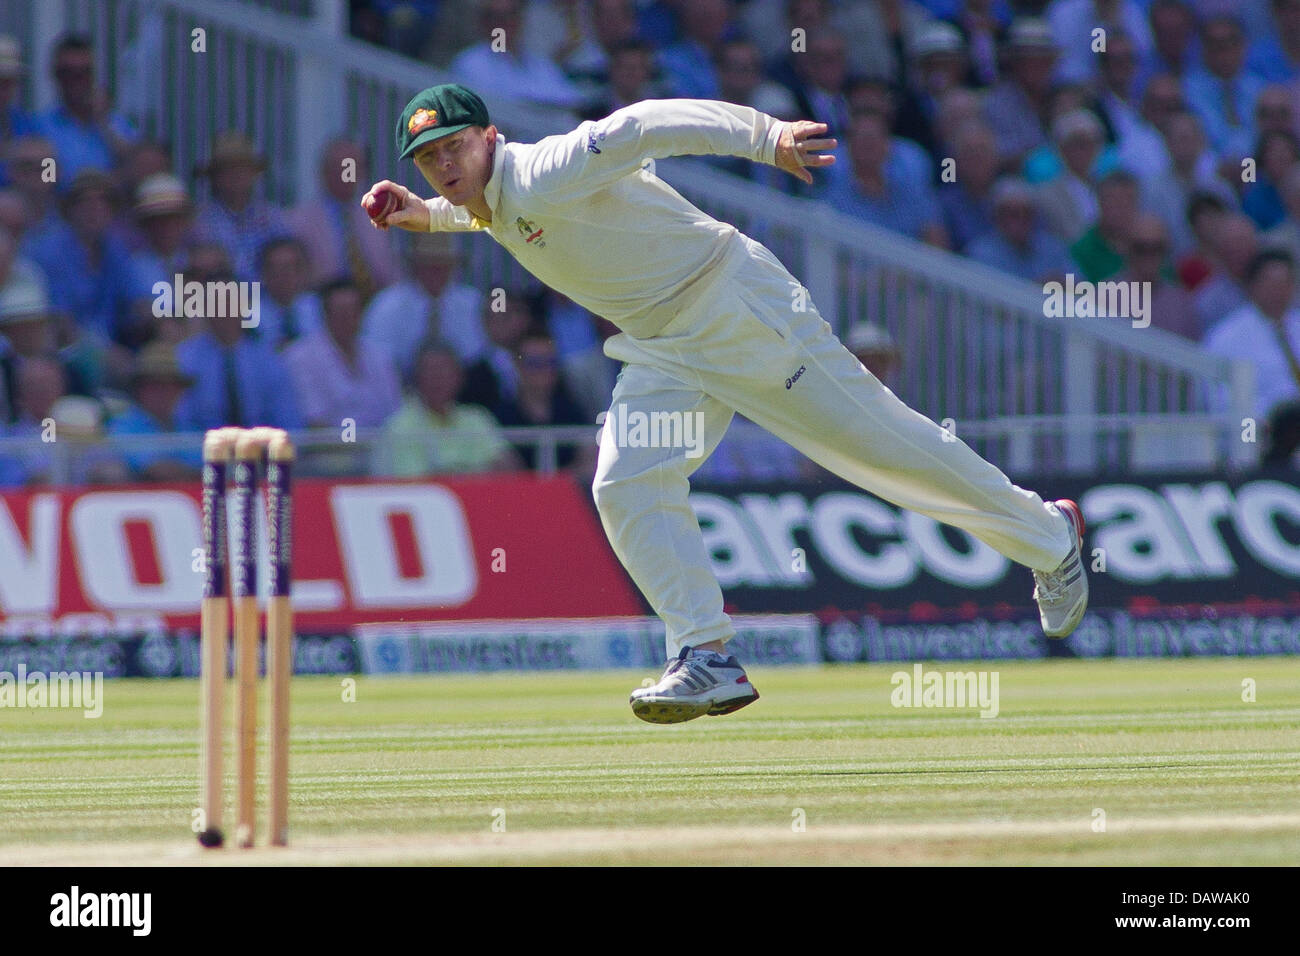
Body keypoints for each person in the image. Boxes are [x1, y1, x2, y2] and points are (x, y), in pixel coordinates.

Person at [363, 84, 1088, 723]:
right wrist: (426, 216)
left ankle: (1049, 537)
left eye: (455, 147)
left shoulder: (549, 166)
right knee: (626, 481)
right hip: (662, 347)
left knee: (881, 450)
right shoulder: (489, 199)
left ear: (491, 138)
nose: (446, 167)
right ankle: (705, 653)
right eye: (430, 160)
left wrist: (763, 137)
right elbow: (488, 212)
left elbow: (646, 124)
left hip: (735, 309)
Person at [379, 338, 518, 476]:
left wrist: (454, 474)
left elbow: (509, 468)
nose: (437, 377)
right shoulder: (399, 426)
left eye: (444, 370)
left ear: (460, 377)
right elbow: (413, 483)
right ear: (416, 377)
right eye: (430, 371)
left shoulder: (477, 418)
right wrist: (475, 472)